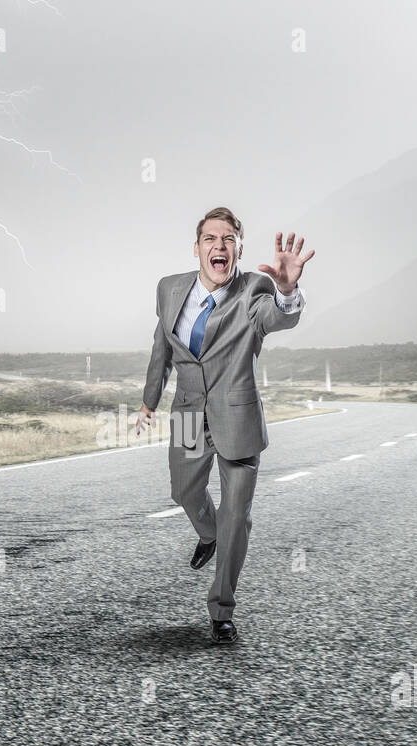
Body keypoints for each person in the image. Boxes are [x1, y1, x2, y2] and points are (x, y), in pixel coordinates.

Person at [136, 206, 315, 643]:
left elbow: (277, 317)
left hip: (237, 417)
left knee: (237, 516)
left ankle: (221, 611)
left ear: (238, 248)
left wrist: (288, 291)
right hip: (186, 412)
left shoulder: (255, 289)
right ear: (196, 248)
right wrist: (148, 402)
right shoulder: (168, 288)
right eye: (211, 239)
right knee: (183, 490)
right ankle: (209, 533)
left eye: (229, 239)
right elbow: (163, 345)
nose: (220, 246)